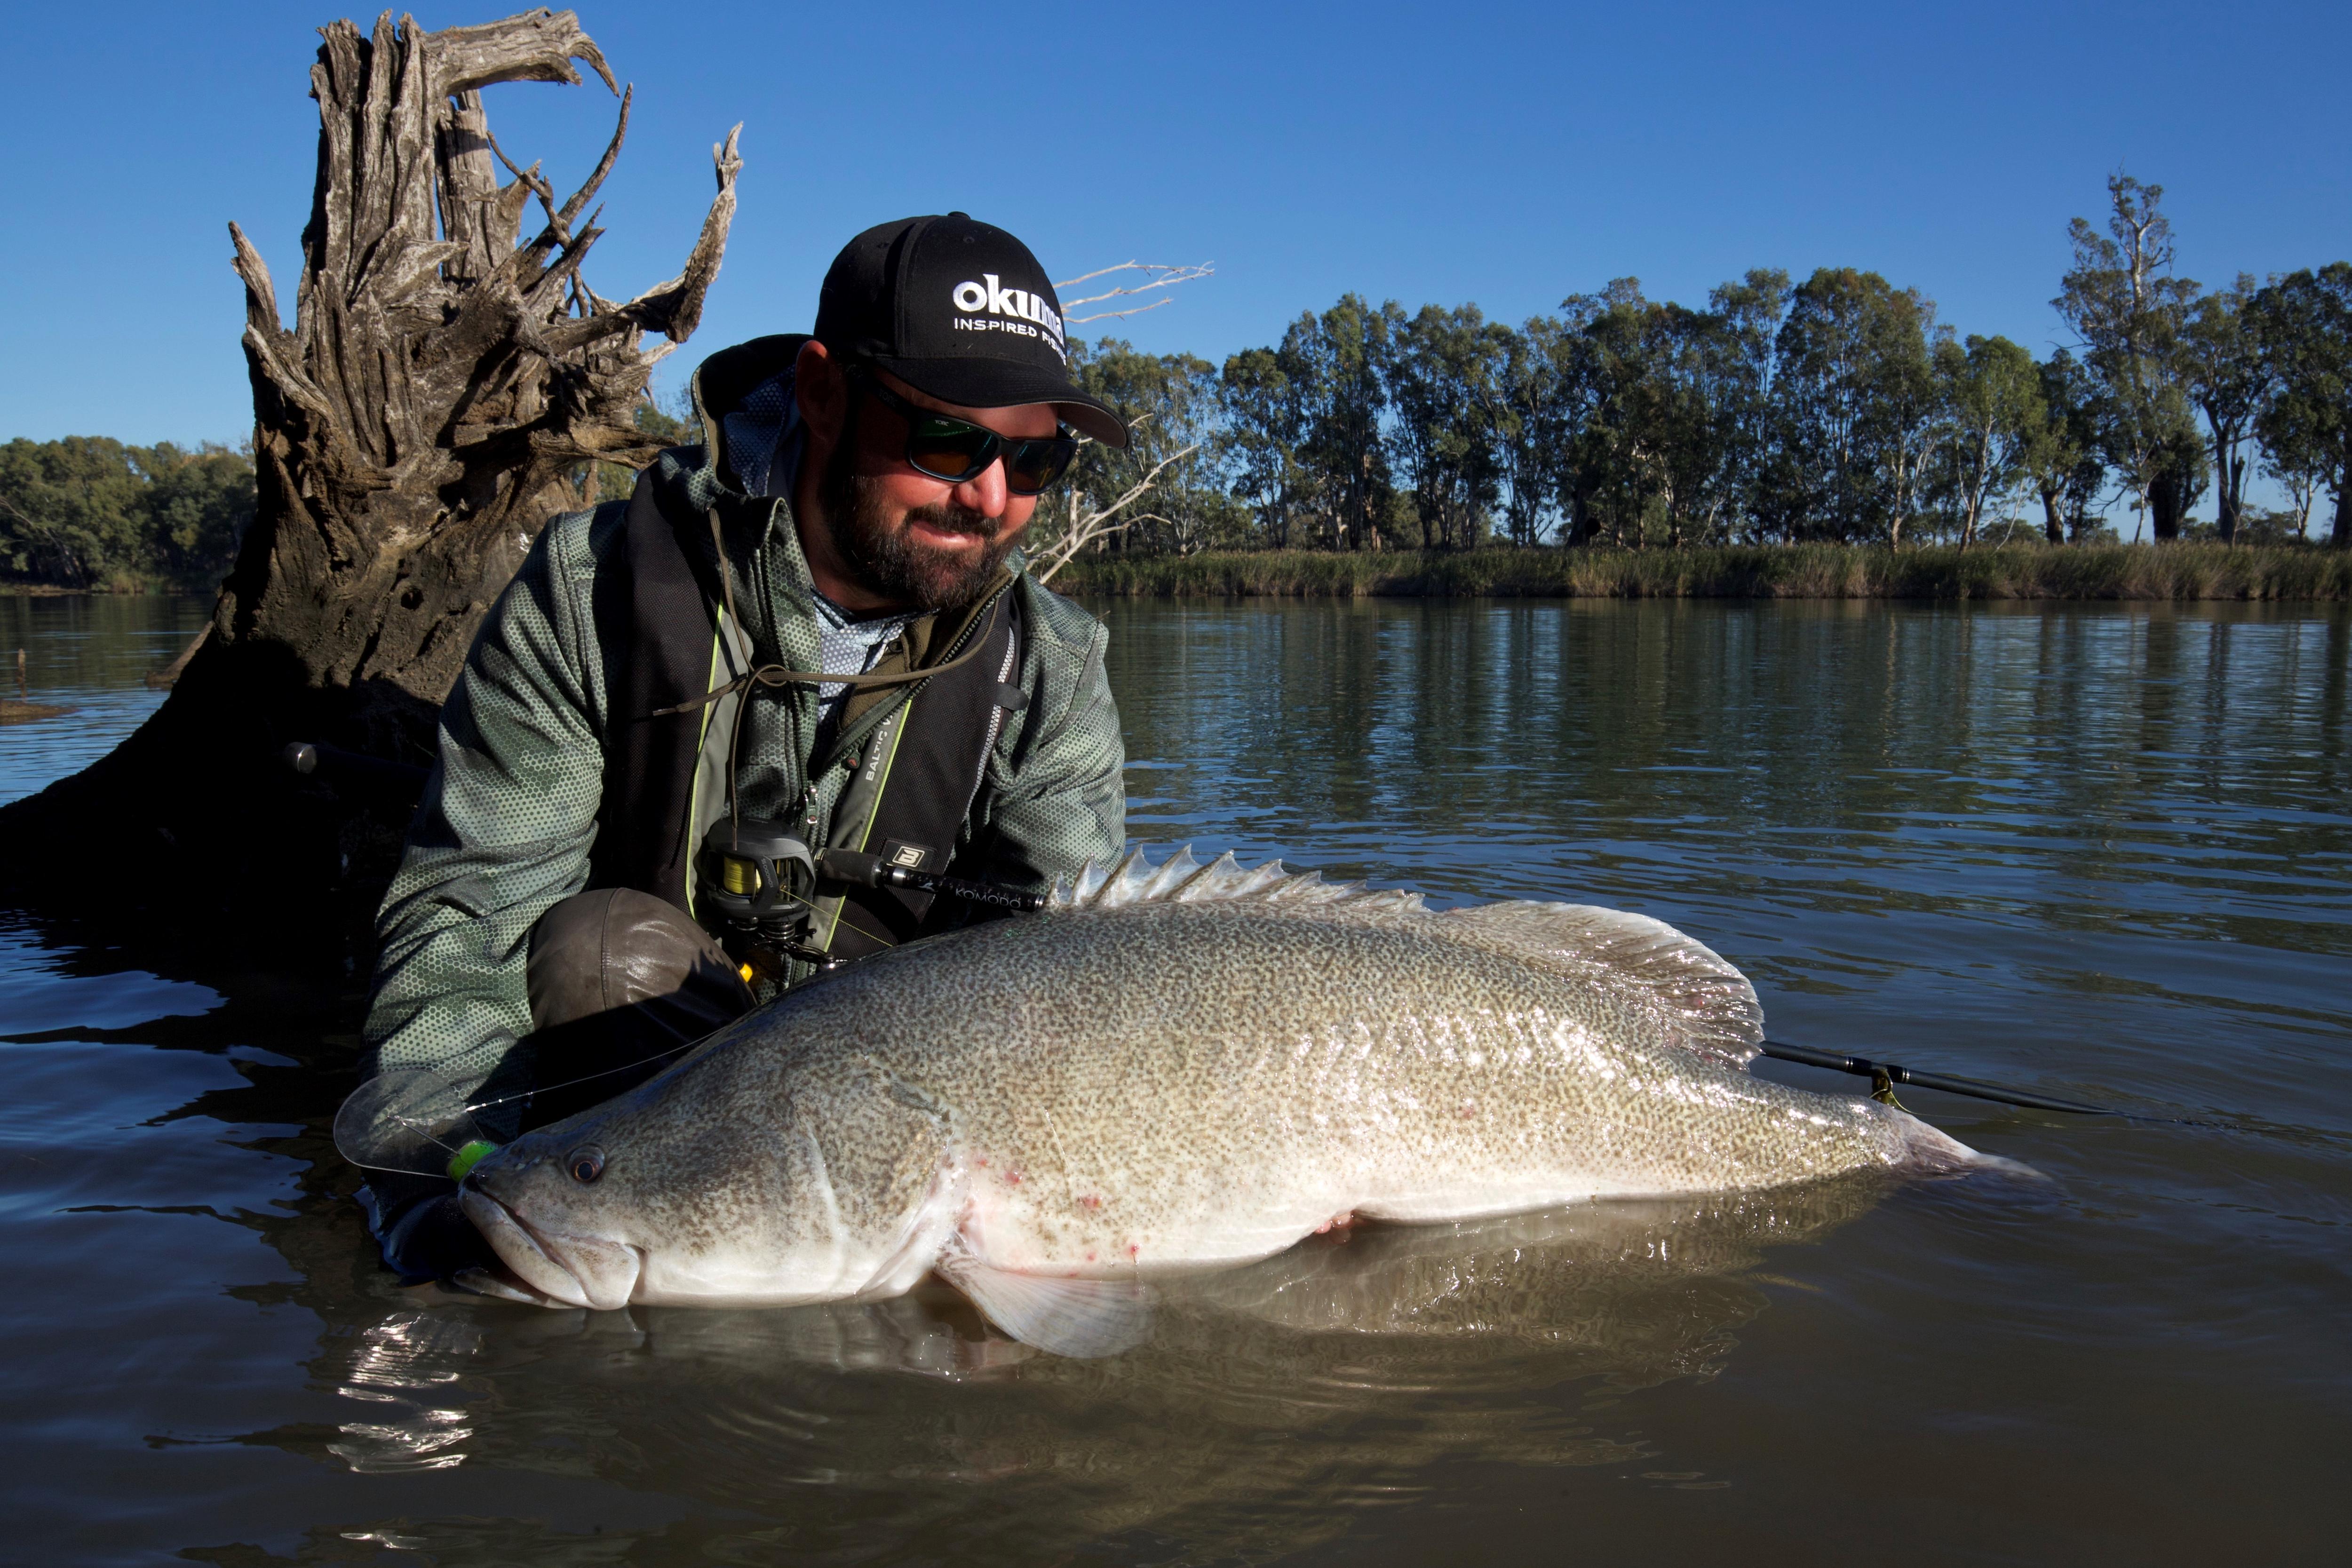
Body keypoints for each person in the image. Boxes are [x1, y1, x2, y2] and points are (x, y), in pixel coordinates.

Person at [356, 214, 1130, 1279]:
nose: (991, 496)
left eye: (1036, 457)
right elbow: (468, 933)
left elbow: (1085, 982)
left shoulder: (1054, 664)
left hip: (899, 1106)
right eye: (947, 441)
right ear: (821, 393)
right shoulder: (594, 595)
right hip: (640, 1079)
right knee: (595, 953)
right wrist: (433, 1184)